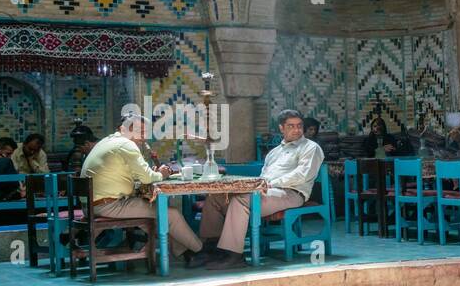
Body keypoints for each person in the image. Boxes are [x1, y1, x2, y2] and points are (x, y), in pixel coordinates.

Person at [199, 108, 324, 270]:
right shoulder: (274, 152)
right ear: (281, 128)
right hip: (268, 191)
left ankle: (234, 255)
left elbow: (303, 174)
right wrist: (260, 185)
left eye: (299, 126)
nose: (297, 130)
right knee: (216, 197)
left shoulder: (310, 147)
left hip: (292, 193)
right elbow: (264, 175)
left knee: (241, 199)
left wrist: (271, 184)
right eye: (291, 126)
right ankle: (211, 248)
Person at [81, 114, 206, 266]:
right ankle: (201, 252)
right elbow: (147, 178)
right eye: (139, 131)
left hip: (92, 205)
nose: (143, 136)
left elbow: (132, 175)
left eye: (145, 131)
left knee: (160, 214)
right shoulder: (126, 145)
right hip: (108, 206)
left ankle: (187, 253)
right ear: (125, 129)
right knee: (171, 214)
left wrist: (151, 174)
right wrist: (162, 174)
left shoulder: (107, 141)